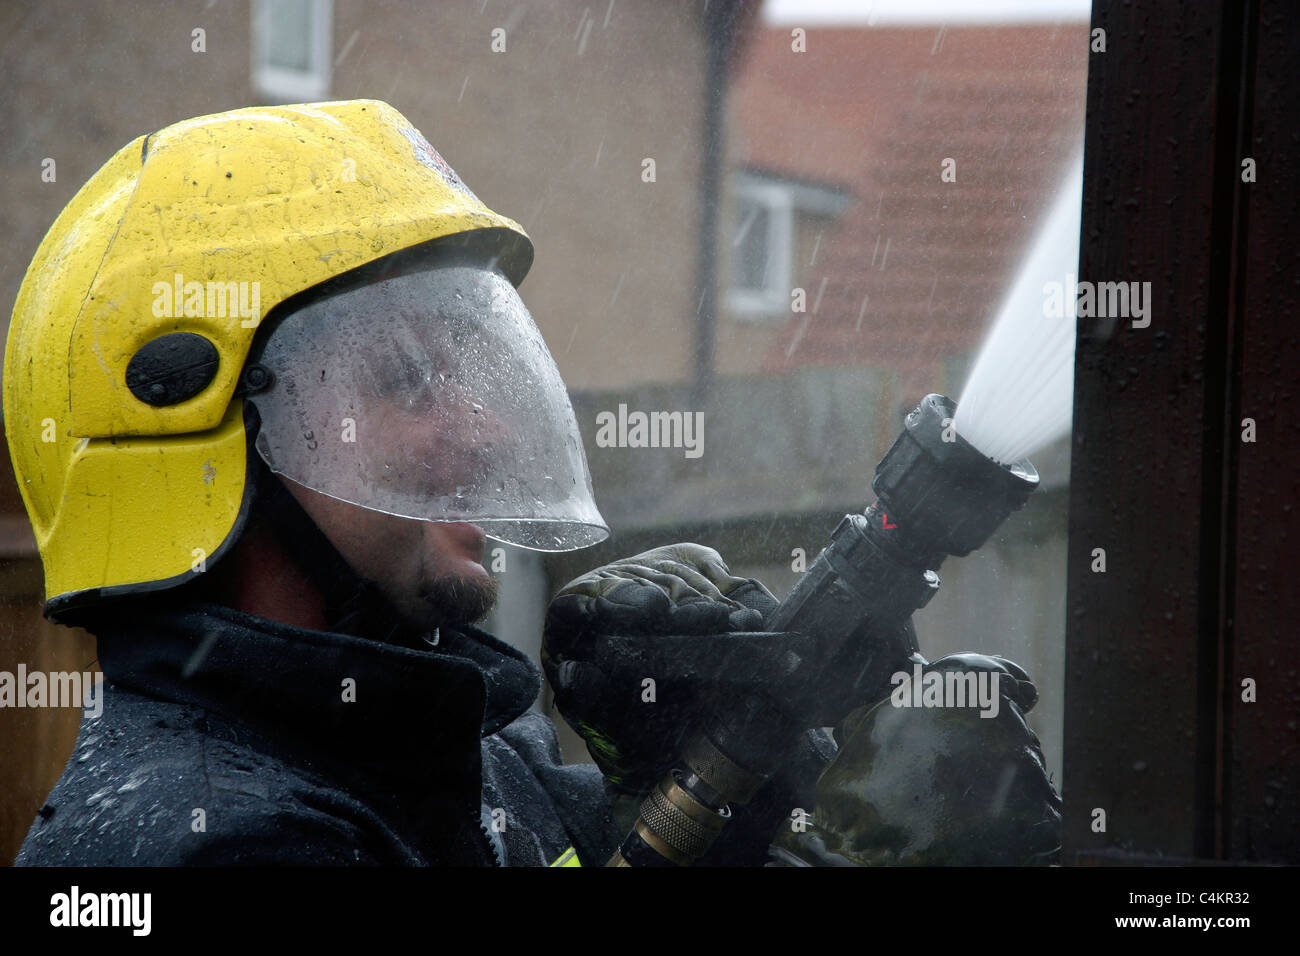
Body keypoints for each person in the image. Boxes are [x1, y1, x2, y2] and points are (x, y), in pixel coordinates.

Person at [3, 100, 823, 866]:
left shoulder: (462, 759)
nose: (489, 428)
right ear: (200, 429)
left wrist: (693, 798)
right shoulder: (208, 839)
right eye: (406, 378)